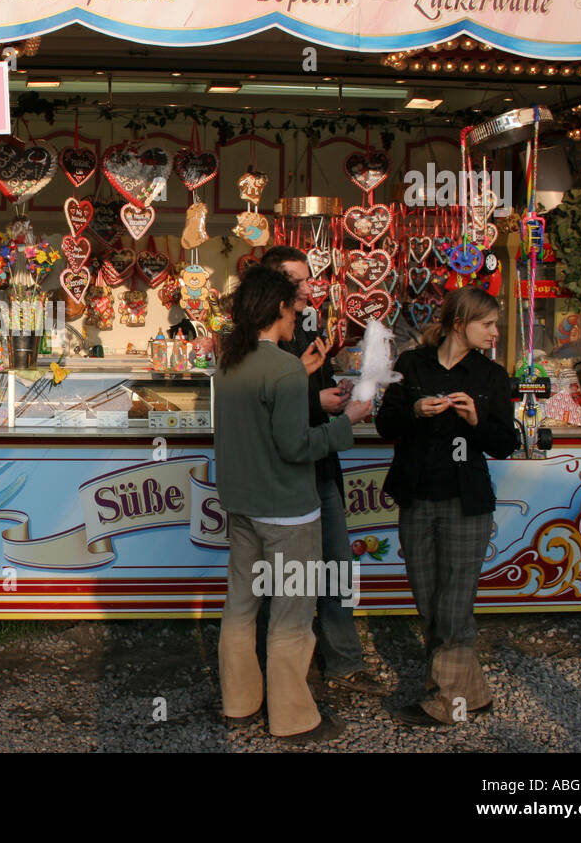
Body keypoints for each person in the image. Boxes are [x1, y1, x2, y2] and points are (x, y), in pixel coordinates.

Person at [214, 266, 373, 741]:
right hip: (287, 510)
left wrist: (297, 374)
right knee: (291, 616)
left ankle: (239, 703)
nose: (298, 311)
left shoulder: (229, 361)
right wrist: (350, 422)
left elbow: (255, 422)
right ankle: (293, 717)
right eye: (294, 305)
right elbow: (296, 446)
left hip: (241, 505)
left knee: (241, 606)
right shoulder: (281, 367)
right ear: (279, 309)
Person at [374, 286, 519, 726]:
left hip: (466, 501)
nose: (495, 332)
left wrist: (476, 422)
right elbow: (385, 426)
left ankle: (446, 703)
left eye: (496, 325)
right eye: (488, 324)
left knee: (455, 604)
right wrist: (414, 409)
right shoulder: (411, 364)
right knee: (429, 601)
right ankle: (472, 693)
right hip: (417, 496)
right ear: (460, 323)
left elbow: (506, 443)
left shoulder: (491, 375)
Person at [259, 245, 389, 695]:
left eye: (309, 279)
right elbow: (260, 404)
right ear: (277, 286)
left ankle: (343, 663)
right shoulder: (261, 338)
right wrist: (318, 402)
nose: (311, 287)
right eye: (300, 280)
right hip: (283, 471)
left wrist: (341, 391)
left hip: (322, 464)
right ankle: (274, 671)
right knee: (279, 578)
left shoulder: (310, 327)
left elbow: (318, 386)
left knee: (336, 566)